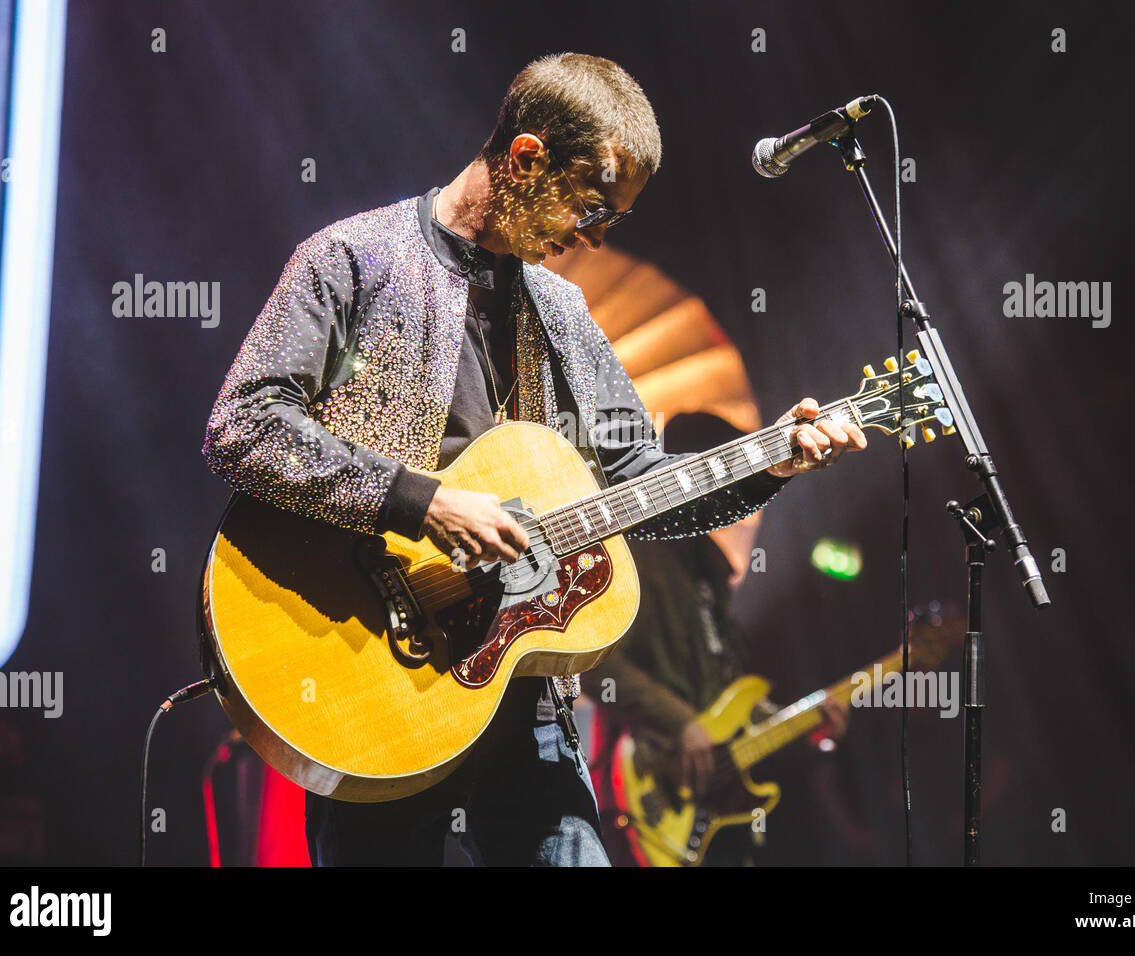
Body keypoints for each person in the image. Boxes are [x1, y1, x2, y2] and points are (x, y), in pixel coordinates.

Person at [201, 53, 866, 867]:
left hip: (527, 695)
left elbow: (639, 480)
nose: (593, 235)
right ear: (524, 158)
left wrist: (772, 464)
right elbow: (243, 426)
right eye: (592, 206)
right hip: (376, 683)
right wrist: (427, 503)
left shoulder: (561, 309)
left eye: (612, 218)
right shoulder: (352, 259)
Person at [585, 413, 849, 866]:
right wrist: (680, 722)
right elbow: (594, 661)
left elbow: (726, 686)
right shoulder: (632, 551)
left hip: (718, 799)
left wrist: (801, 720)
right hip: (646, 784)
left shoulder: (711, 564)